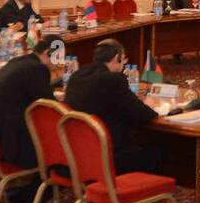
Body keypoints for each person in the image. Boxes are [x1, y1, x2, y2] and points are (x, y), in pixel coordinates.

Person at [63, 39, 163, 181]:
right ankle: (137, 198)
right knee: (155, 151)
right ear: (118, 58)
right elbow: (145, 115)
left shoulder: (77, 76)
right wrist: (149, 104)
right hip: (108, 156)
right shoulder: (113, 80)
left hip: (78, 153)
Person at [0, 35, 62, 203]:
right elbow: (50, 106)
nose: (60, 63)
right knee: (64, 152)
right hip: (16, 143)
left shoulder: (18, 62)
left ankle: (25, 195)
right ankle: (26, 197)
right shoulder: (37, 70)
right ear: (47, 53)